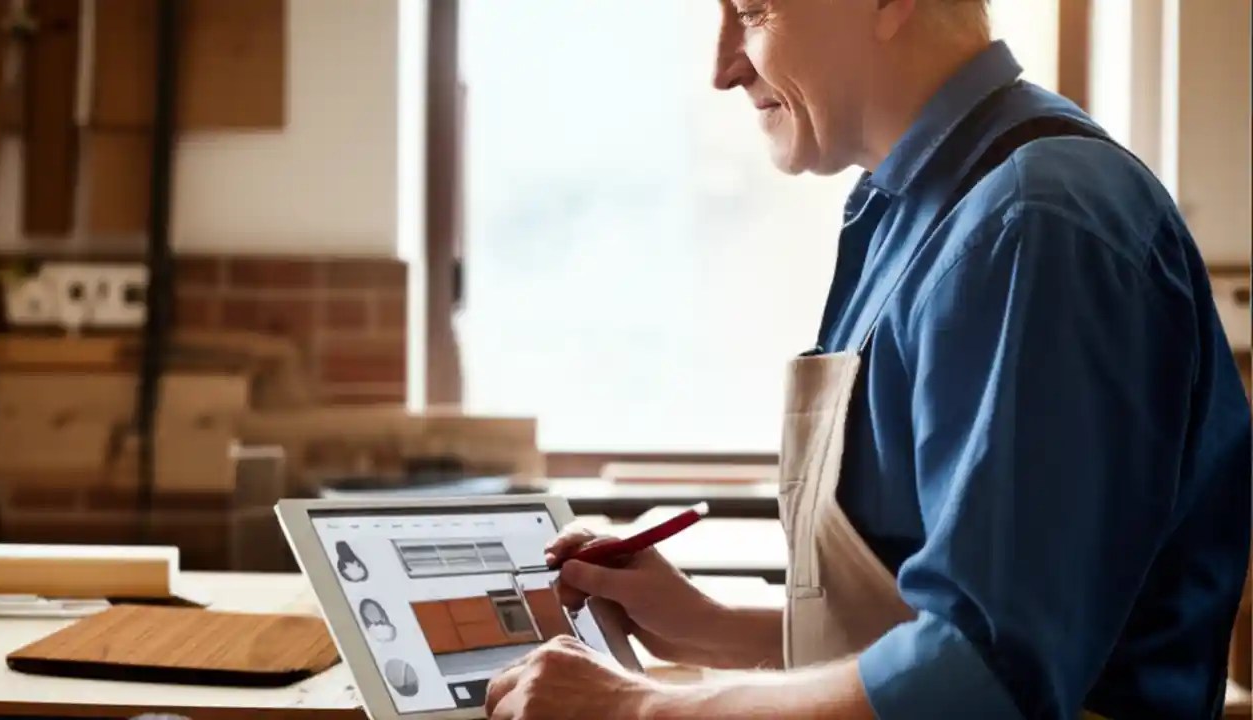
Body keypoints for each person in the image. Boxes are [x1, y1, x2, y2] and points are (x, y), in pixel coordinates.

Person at [485, 1, 1252, 718]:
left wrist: (638, 707)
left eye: (752, 12)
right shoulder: (921, 208)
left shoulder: (1034, 223)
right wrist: (708, 627)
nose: (725, 67)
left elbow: (988, 675)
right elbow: (920, 624)